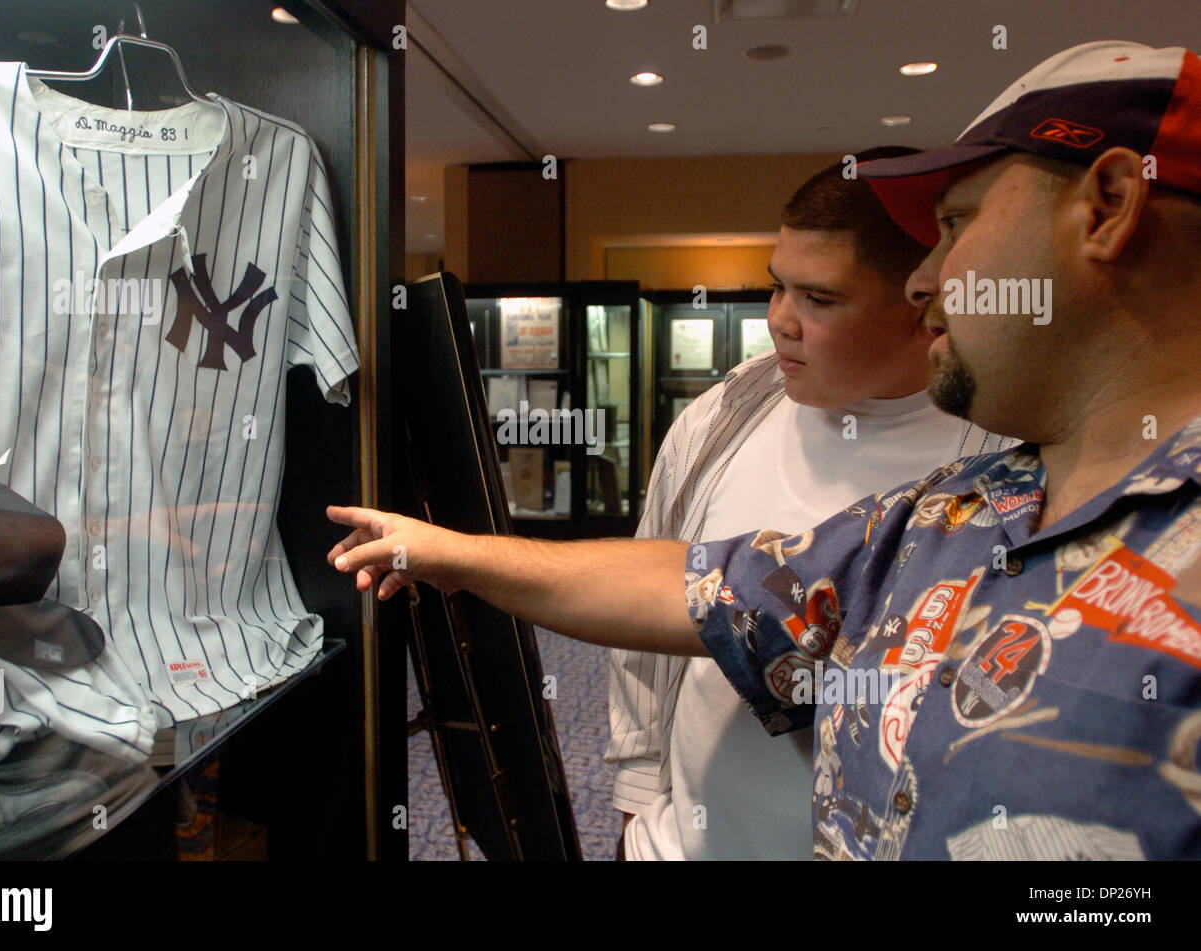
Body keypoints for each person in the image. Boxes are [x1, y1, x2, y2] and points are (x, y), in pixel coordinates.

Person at [330, 41, 1201, 859]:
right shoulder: (958, 510)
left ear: (1108, 206)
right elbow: (697, 587)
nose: (926, 278)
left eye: (957, 221)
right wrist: (459, 552)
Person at [608, 147, 1011, 861]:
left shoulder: (1001, 451)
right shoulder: (725, 413)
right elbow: (647, 593)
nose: (779, 321)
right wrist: (639, 804)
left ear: (922, 300)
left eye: (818, 300)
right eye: (778, 287)